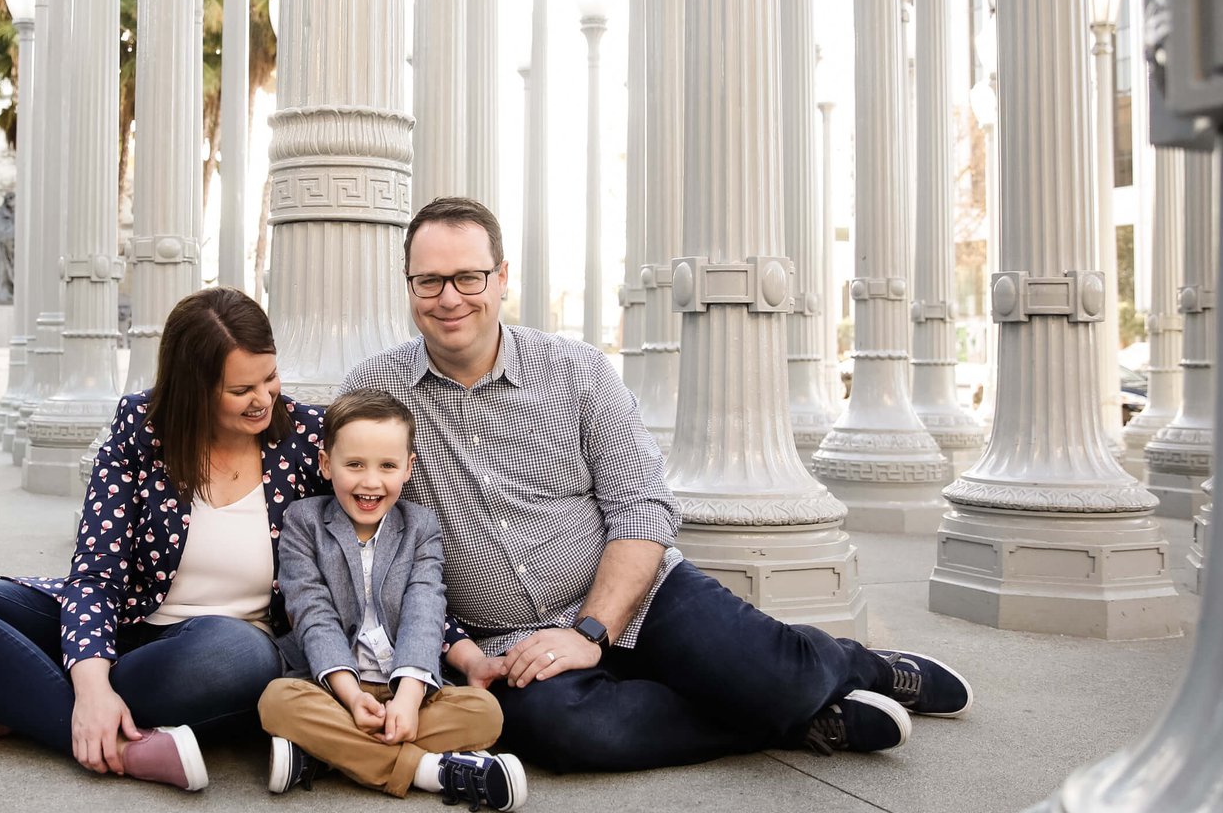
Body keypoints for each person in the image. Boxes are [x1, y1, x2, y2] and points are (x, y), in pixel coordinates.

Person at [341, 196, 973, 774]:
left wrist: (591, 631)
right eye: (429, 280)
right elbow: (352, 524)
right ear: (410, 286)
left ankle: (859, 668)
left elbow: (641, 509)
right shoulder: (375, 392)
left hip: (642, 595)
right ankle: (799, 721)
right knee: (565, 732)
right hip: (508, 639)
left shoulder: (577, 370)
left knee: (778, 675)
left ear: (501, 278)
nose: (449, 297)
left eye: (468, 277)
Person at [0, 287, 327, 791]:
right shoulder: (141, 430)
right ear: (193, 389)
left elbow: (369, 548)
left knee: (244, 658)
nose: (264, 399)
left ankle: (7, 703)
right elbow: (96, 572)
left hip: (215, 647)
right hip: (120, 621)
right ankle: (124, 747)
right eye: (241, 390)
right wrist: (89, 687)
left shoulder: (308, 439)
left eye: (270, 378)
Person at [258, 389, 527, 812]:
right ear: (327, 465)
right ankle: (434, 771)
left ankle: (323, 754)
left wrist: (408, 698)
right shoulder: (303, 521)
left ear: (407, 468)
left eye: (387, 466)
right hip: (334, 690)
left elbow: (425, 610)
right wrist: (349, 695)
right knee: (276, 701)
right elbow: (312, 612)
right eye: (354, 465)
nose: (371, 481)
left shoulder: (421, 527)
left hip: (408, 687)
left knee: (485, 711)